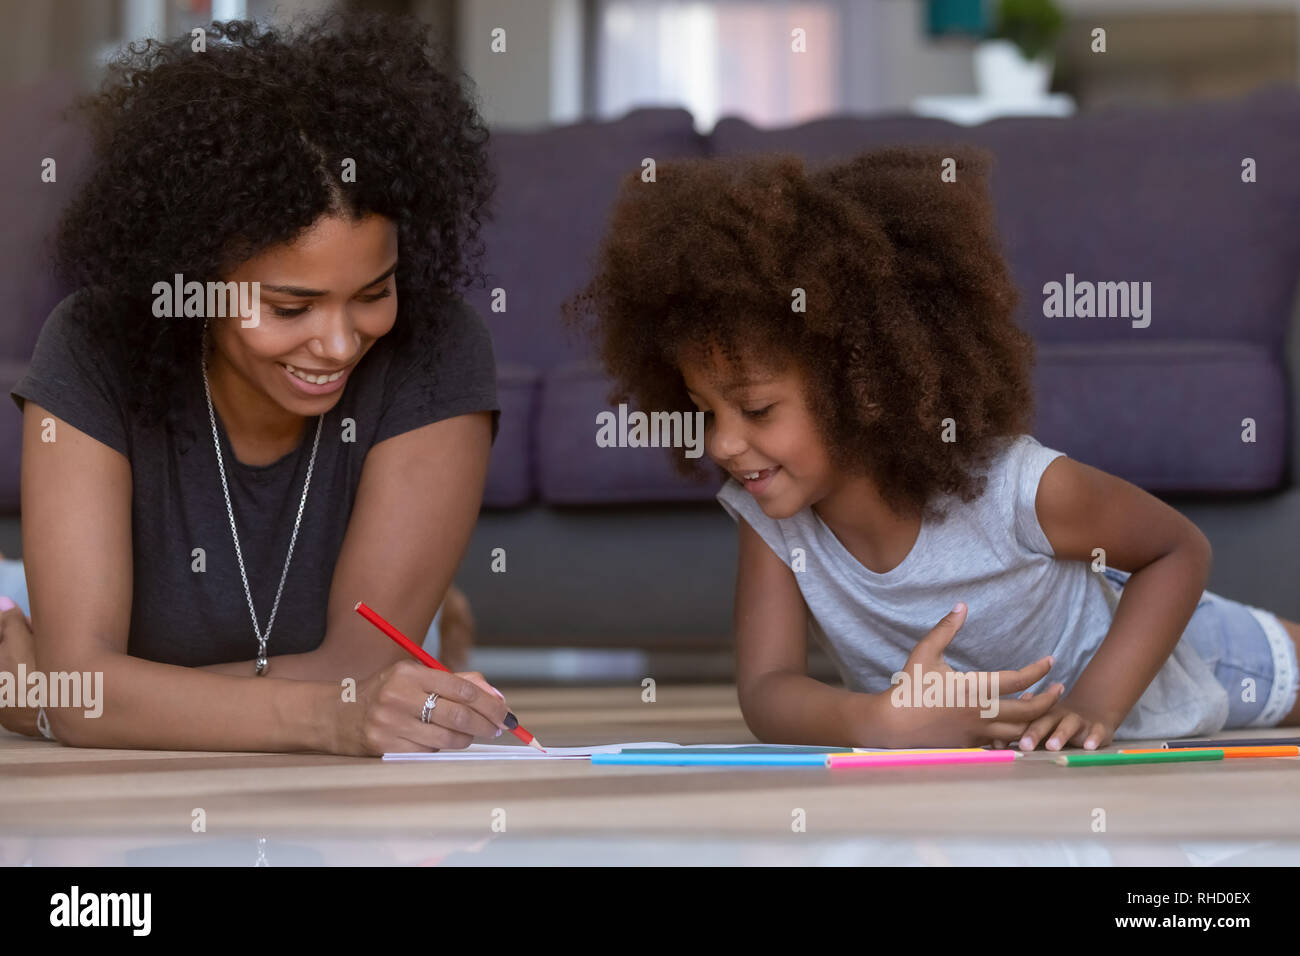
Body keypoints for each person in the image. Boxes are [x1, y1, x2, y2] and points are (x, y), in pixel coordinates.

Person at [566, 148, 1300, 749]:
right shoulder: (774, 520)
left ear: (864, 383)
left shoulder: (1018, 489)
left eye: (756, 408)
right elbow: (766, 692)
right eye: (703, 411)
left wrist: (1095, 702)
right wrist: (878, 721)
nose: (724, 443)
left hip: (1190, 651)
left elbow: (1177, 552)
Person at [0, 13, 510, 754]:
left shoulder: (439, 349)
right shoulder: (91, 344)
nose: (338, 345)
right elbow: (83, 688)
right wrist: (75, 693)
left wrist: (64, 699)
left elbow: (357, 676)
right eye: (289, 307)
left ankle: (442, 614)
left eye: (374, 292)